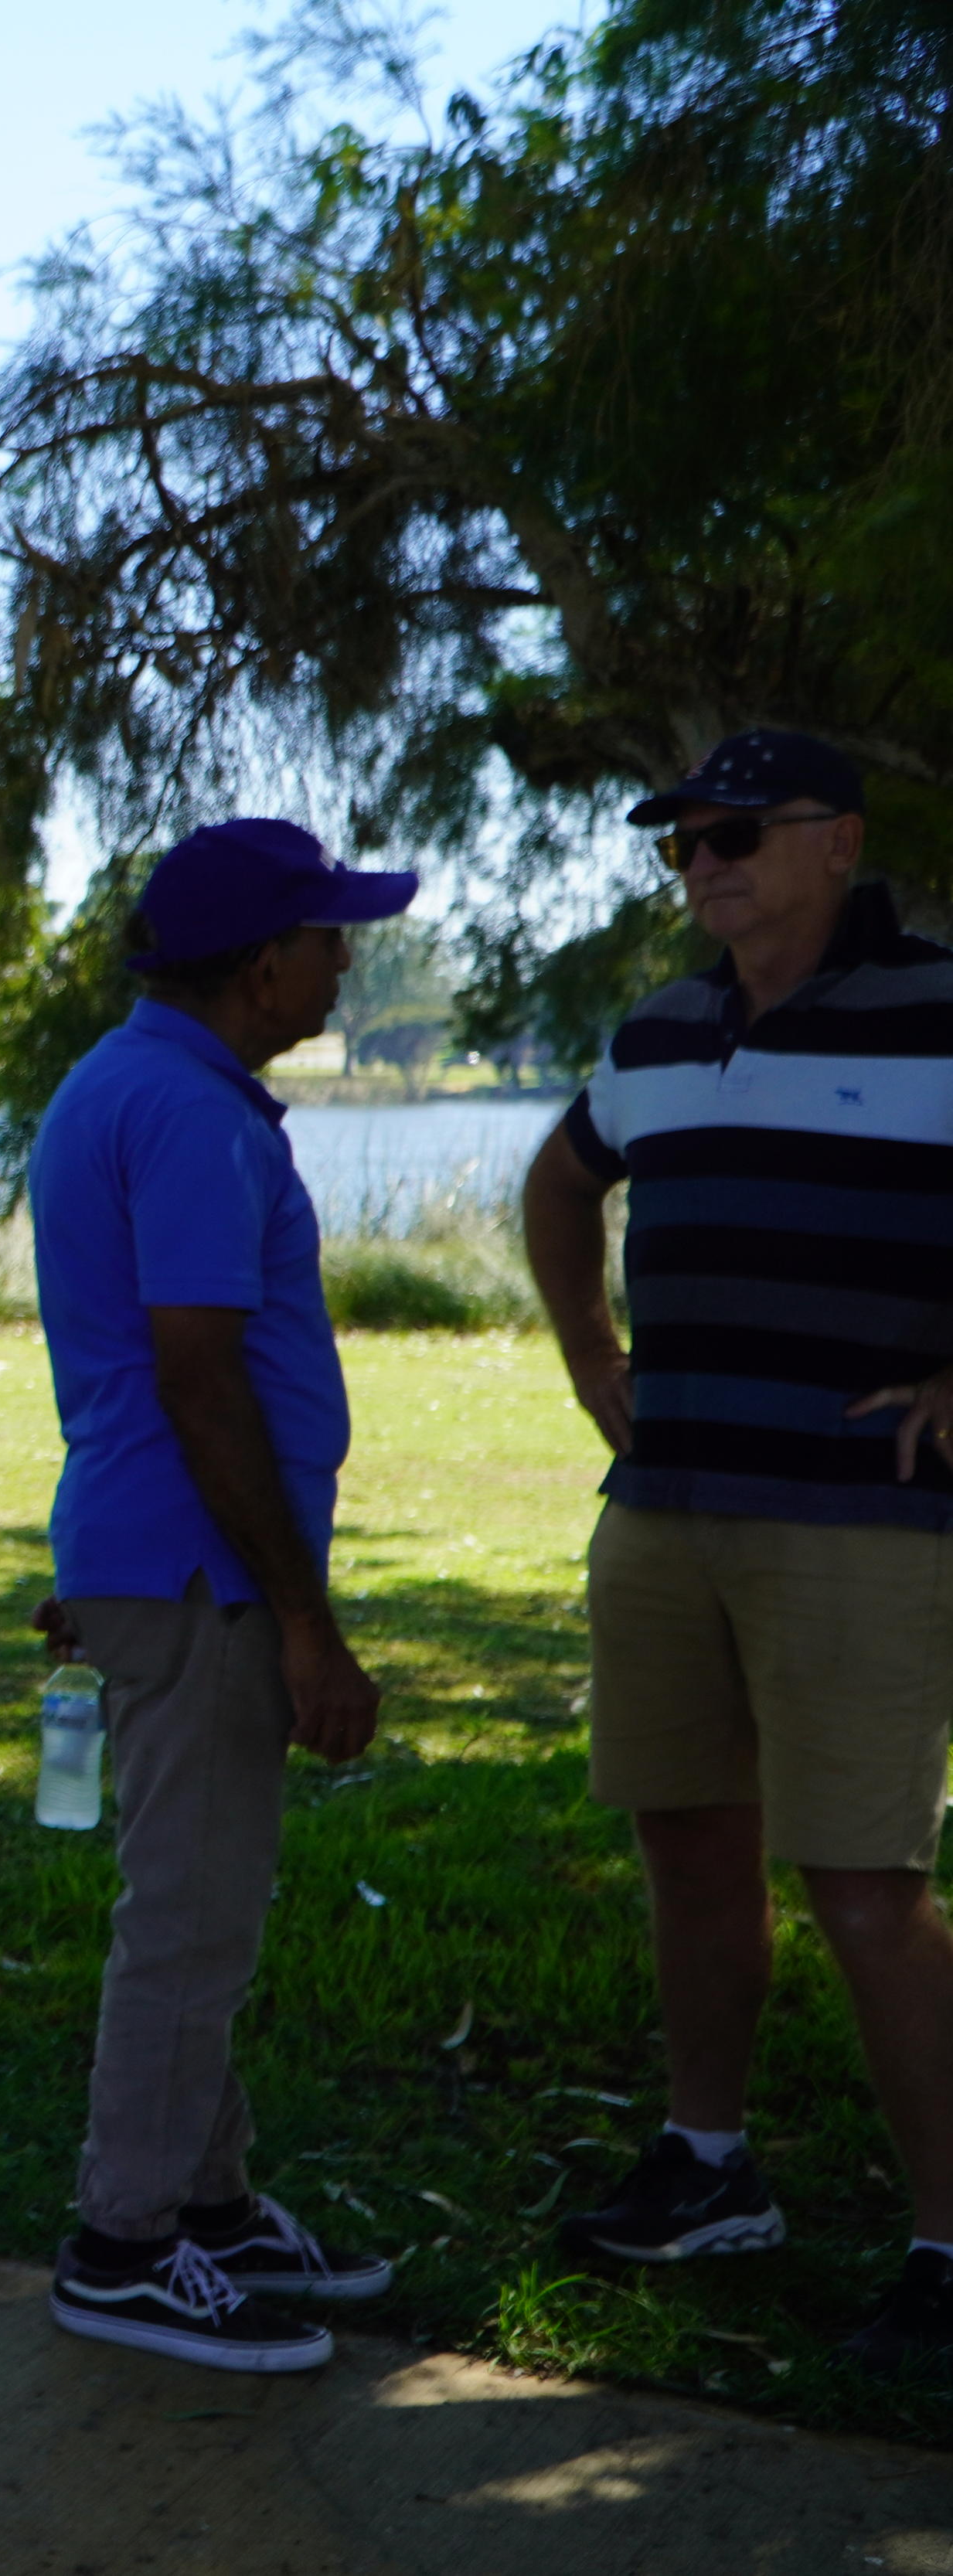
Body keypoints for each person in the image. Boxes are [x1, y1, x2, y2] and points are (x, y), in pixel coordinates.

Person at [519, 728, 953, 2378]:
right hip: (664, 1513)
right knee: (687, 1845)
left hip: (860, 1525)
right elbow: (561, 1187)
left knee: (862, 1885)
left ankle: (946, 2239)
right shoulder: (653, 1030)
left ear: (837, 840)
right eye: (678, 839)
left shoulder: (936, 1009)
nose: (700, 861)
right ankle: (708, 2167)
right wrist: (583, 1358)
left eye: (733, 831)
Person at [23, 819, 410, 2374]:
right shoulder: (184, 1111)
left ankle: (207, 2198)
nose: (341, 959)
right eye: (328, 936)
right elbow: (194, 1370)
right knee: (188, 1915)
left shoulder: (136, 1085)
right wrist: (307, 1620)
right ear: (264, 963)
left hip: (154, 1560)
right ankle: (121, 2244)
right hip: (197, 1573)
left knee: (205, 1896)